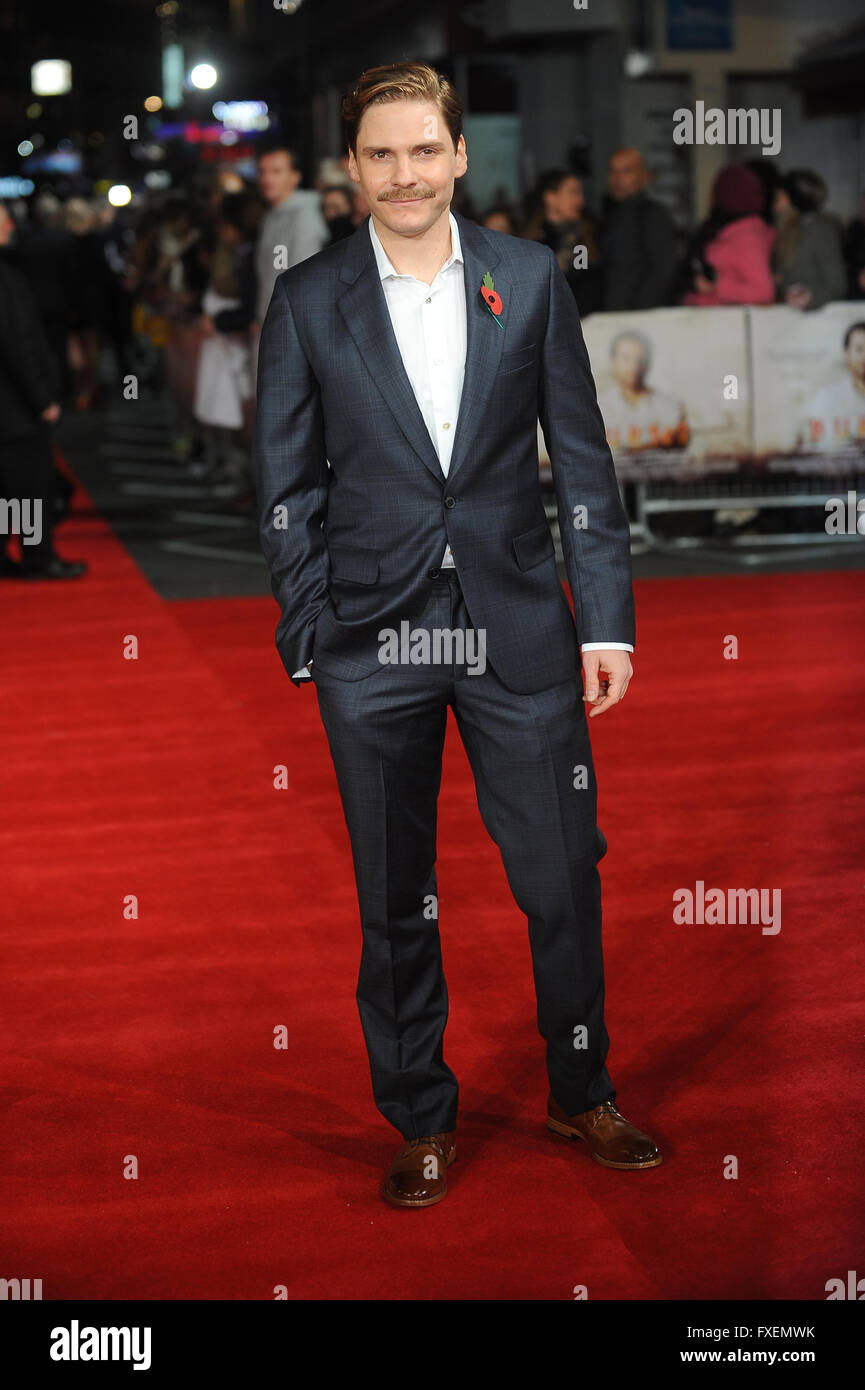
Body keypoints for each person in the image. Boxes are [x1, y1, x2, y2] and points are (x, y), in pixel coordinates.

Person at [252, 61, 660, 1210]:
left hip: (517, 628)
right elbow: (283, 487)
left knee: (563, 875)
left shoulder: (526, 279)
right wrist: (310, 628)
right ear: (352, 167)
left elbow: (582, 462)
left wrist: (607, 621)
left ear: (459, 155)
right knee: (395, 894)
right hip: (370, 642)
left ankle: (581, 1090)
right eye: (380, 154)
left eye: (423, 150)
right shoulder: (309, 297)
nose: (404, 175)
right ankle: (419, 1115)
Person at [0, 202, 86, 579]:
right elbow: (19, 345)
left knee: (7, 488)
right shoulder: (5, 277)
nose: (8, 223)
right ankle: (39, 557)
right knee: (31, 488)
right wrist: (43, 400)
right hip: (16, 406)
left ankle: (4, 554)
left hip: (8, 405)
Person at [255, 144, 329, 324]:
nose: (267, 178)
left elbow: (306, 277)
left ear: (295, 177)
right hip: (273, 318)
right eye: (263, 172)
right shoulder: (271, 215)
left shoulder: (305, 216)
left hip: (292, 323)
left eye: (276, 171)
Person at [682, 164, 775, 306]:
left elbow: (762, 292)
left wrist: (717, 286)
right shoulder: (722, 229)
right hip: (709, 318)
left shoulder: (747, 237)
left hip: (723, 322)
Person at [600, 147, 677, 311]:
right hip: (610, 316)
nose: (618, 178)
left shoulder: (653, 214)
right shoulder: (608, 217)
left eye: (627, 171)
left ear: (643, 176)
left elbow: (663, 269)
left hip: (638, 317)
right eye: (612, 171)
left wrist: (639, 311)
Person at [597, 330, 689, 451]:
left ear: (647, 363)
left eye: (639, 359)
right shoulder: (599, 408)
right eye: (626, 358)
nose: (634, 366)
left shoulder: (669, 405)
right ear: (613, 362)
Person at [528, 169, 602, 317]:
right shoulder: (530, 240)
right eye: (573, 192)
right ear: (550, 197)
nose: (580, 200)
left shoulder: (585, 238)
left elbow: (587, 284)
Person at [773, 169, 847, 311]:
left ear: (794, 199)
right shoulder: (787, 232)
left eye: (779, 198)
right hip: (791, 319)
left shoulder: (820, 231)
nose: (776, 206)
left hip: (817, 322)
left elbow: (837, 285)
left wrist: (809, 297)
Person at [806, 320, 865, 452]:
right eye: (859, 349)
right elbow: (823, 450)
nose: (864, 356)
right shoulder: (827, 398)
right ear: (846, 354)